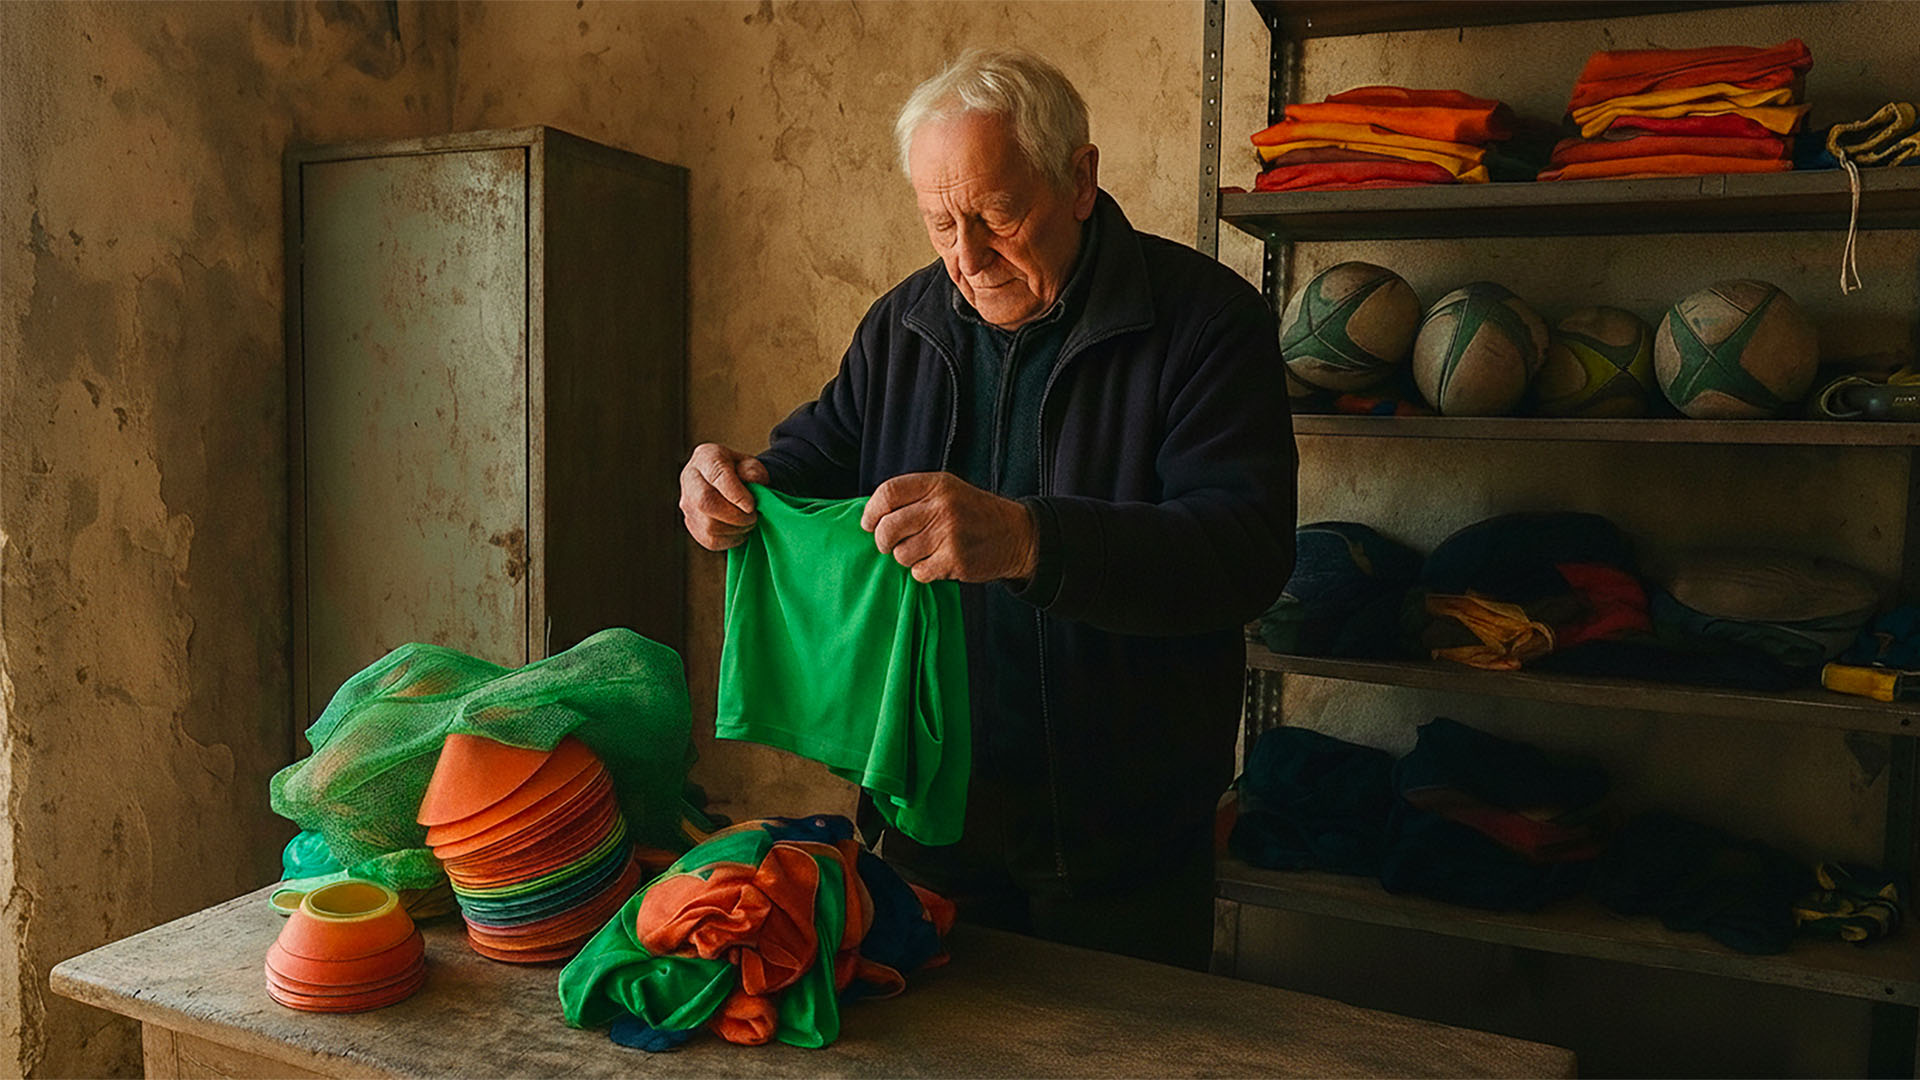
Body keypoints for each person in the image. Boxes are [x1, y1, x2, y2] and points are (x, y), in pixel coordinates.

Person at [678, 47, 1296, 970]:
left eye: (998, 216)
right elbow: (817, 454)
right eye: (940, 224)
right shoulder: (907, 324)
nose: (966, 258)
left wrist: (1028, 539)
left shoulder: (1207, 323)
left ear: (1080, 179)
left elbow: (1243, 550)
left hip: (1123, 836)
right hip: (935, 818)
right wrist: (737, 484)